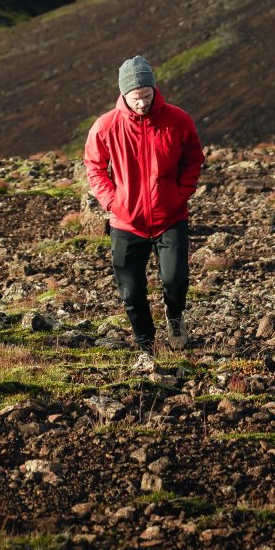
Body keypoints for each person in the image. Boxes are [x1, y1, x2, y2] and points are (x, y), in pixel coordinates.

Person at [84, 55, 204, 354]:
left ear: (154, 90)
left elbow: (193, 158)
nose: (141, 103)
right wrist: (113, 202)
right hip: (126, 222)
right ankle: (145, 344)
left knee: (175, 280)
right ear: (123, 94)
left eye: (147, 96)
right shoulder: (105, 126)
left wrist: (181, 193)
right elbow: (94, 166)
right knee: (131, 291)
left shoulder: (178, 120)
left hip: (170, 216)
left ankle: (174, 317)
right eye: (135, 98)